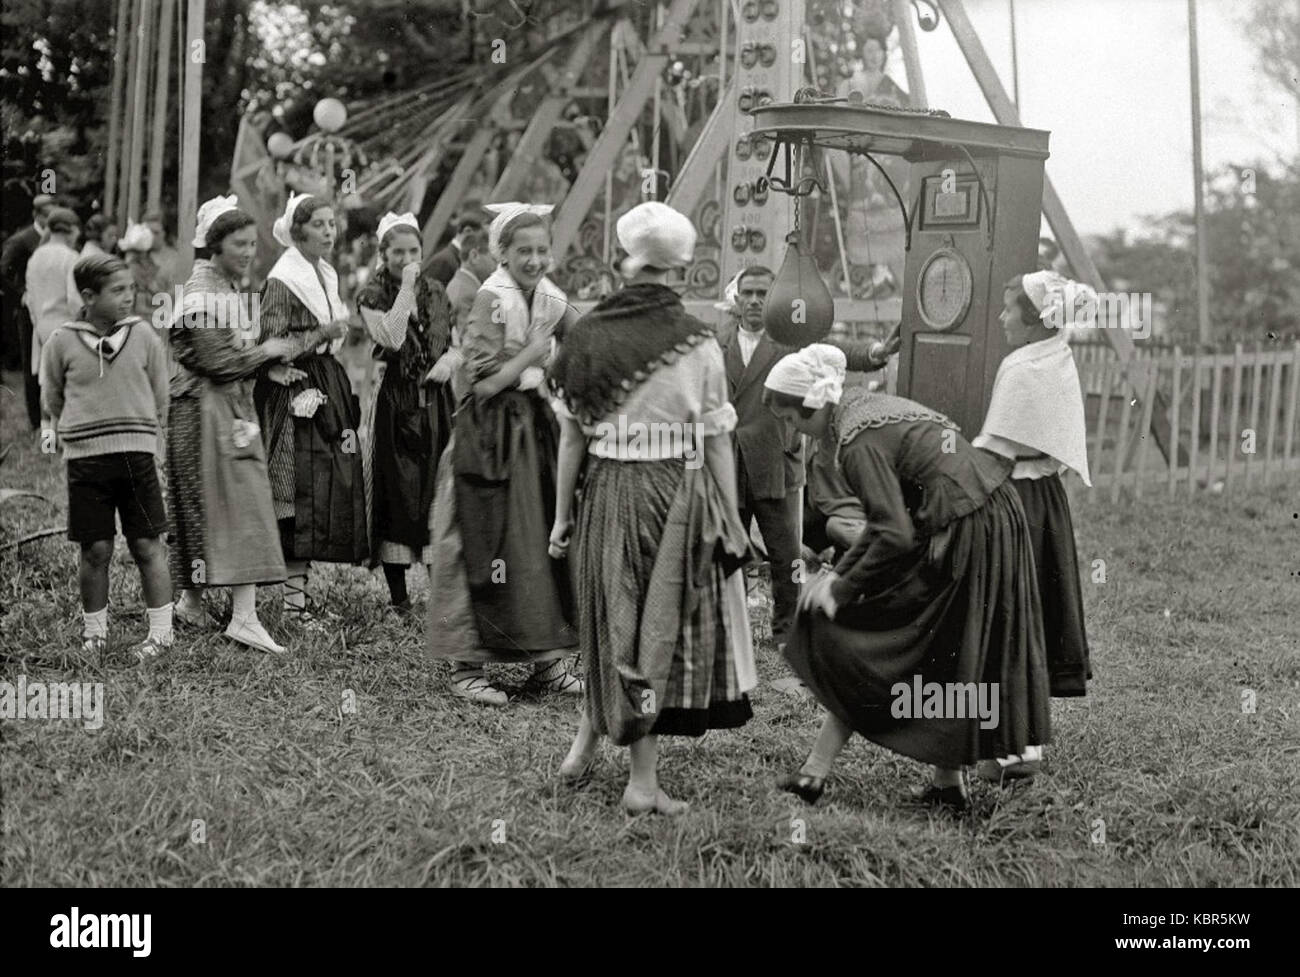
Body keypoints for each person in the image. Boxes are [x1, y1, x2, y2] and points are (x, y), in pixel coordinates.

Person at [766, 345, 1051, 813]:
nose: (794, 433)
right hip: (981, 514)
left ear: (814, 406)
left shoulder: (857, 441)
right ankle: (936, 783)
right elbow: (892, 525)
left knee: (922, 648)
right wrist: (846, 578)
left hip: (969, 524)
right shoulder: (867, 408)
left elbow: (892, 532)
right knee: (946, 651)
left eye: (794, 421)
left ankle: (825, 772)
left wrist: (839, 587)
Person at [548, 201, 757, 816]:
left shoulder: (586, 334)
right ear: (683, 271)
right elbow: (717, 437)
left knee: (609, 616)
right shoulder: (698, 342)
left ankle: (582, 747)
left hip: (606, 490)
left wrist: (562, 518)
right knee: (652, 630)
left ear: (624, 261)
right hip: (672, 493)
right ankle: (641, 784)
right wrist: (729, 515)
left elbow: (571, 438)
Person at [426, 201, 583, 704]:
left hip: (534, 426)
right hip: (491, 432)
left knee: (537, 542)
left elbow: (581, 338)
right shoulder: (491, 300)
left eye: (542, 250)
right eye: (523, 251)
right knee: (483, 540)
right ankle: (467, 666)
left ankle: (547, 662)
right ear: (502, 253)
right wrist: (533, 356)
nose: (535, 260)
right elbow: (481, 383)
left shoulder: (548, 297)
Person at [716, 265, 893, 647]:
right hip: (729, 463)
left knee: (786, 557)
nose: (753, 301)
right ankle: (733, 634)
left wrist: (873, 353)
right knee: (729, 552)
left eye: (763, 293)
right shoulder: (719, 340)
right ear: (736, 298)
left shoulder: (788, 338)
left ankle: (786, 631)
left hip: (777, 461)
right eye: (746, 293)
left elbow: (833, 352)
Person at [972, 270, 1094, 781]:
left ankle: (1014, 750)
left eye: (1009, 310)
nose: (1002, 318)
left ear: (1035, 318)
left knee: (1010, 613)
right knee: (1031, 610)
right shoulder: (1057, 356)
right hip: (1045, 500)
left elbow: (997, 450)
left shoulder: (1024, 367)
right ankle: (1015, 744)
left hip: (1016, 499)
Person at [167, 195, 301, 654]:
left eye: (251, 244)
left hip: (220, 409)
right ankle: (243, 617)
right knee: (236, 504)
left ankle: (192, 602)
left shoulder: (222, 288)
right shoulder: (203, 295)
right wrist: (269, 352)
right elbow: (218, 362)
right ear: (214, 245)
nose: (249, 252)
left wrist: (264, 365)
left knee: (207, 505)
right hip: (204, 412)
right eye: (239, 244)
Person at [39, 254, 174, 662]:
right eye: (117, 291)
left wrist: (157, 440)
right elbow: (53, 396)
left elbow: (160, 394)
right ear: (87, 296)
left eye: (131, 288)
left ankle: (162, 633)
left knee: (147, 544)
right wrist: (69, 432)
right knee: (95, 548)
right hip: (87, 462)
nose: (129, 297)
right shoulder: (62, 340)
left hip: (137, 457)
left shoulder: (145, 336)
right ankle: (94, 634)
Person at [252, 193, 365, 621]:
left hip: (325, 384)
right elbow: (271, 344)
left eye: (331, 224)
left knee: (320, 487)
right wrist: (319, 335)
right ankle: (293, 605)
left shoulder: (324, 272)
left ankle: (300, 598)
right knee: (297, 490)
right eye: (319, 224)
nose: (328, 232)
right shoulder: (284, 279)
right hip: (294, 389)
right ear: (298, 231)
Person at [355, 212, 459, 613]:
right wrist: (405, 288)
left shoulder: (437, 290)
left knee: (436, 486)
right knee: (397, 490)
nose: (407, 258)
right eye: (397, 252)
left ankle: (440, 599)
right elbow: (392, 337)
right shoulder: (373, 293)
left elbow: (454, 339)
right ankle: (399, 600)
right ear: (384, 255)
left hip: (435, 400)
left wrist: (451, 359)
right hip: (395, 400)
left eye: (413, 251)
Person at [25, 207, 82, 430]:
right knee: (65, 380)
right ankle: (63, 432)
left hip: (41, 325)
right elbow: (74, 298)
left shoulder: (36, 257)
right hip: (64, 323)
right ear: (70, 230)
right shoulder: (71, 257)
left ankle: (47, 435)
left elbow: (30, 298)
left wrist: (37, 321)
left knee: (46, 380)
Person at [1, 194, 54, 378]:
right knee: (32, 358)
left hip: (52, 303)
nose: (49, 221)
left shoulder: (55, 238)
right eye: (46, 216)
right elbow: (3, 270)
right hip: (29, 305)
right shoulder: (22, 240)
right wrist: (20, 293)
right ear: (36, 215)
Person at [444, 225, 496, 329]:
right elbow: (467, 340)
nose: (497, 267)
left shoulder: (460, 284)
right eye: (494, 259)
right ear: (474, 256)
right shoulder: (468, 295)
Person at [425, 216, 484, 286]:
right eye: (477, 239)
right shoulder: (444, 261)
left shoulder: (450, 258)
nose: (478, 245)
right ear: (467, 231)